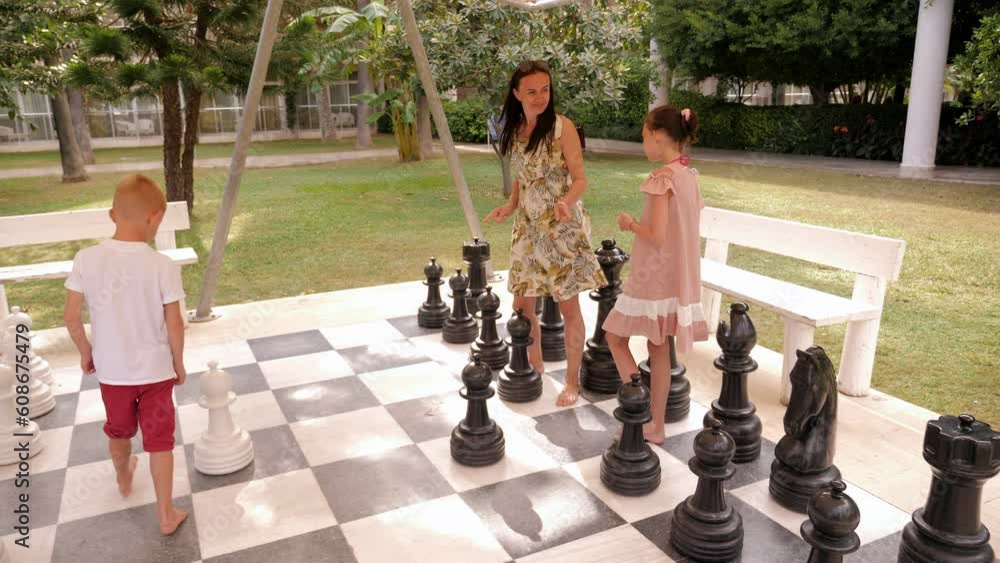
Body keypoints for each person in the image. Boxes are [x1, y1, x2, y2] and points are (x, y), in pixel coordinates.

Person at [63, 174, 189, 535]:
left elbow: (71, 319)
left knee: (118, 431)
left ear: (111, 215)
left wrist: (87, 353)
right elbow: (175, 324)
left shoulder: (86, 259)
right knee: (160, 441)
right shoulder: (162, 265)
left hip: (112, 374)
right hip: (155, 373)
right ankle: (166, 514)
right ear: (153, 219)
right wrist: (177, 363)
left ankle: (123, 476)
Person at [484, 60, 606, 407]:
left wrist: (567, 202)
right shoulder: (516, 128)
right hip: (526, 229)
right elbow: (523, 177)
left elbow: (580, 179)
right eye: (532, 91)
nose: (540, 97)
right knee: (522, 305)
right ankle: (534, 368)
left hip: (560, 229)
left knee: (569, 307)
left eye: (545, 89)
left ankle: (571, 381)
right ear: (517, 94)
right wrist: (510, 205)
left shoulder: (561, 128)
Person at [602, 105, 710, 444]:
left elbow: (657, 233)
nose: (642, 144)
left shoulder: (662, 178)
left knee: (614, 339)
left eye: (644, 137)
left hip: (653, 278)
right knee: (658, 348)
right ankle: (656, 426)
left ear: (658, 138)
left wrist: (629, 224)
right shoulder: (689, 176)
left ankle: (640, 411)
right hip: (676, 278)